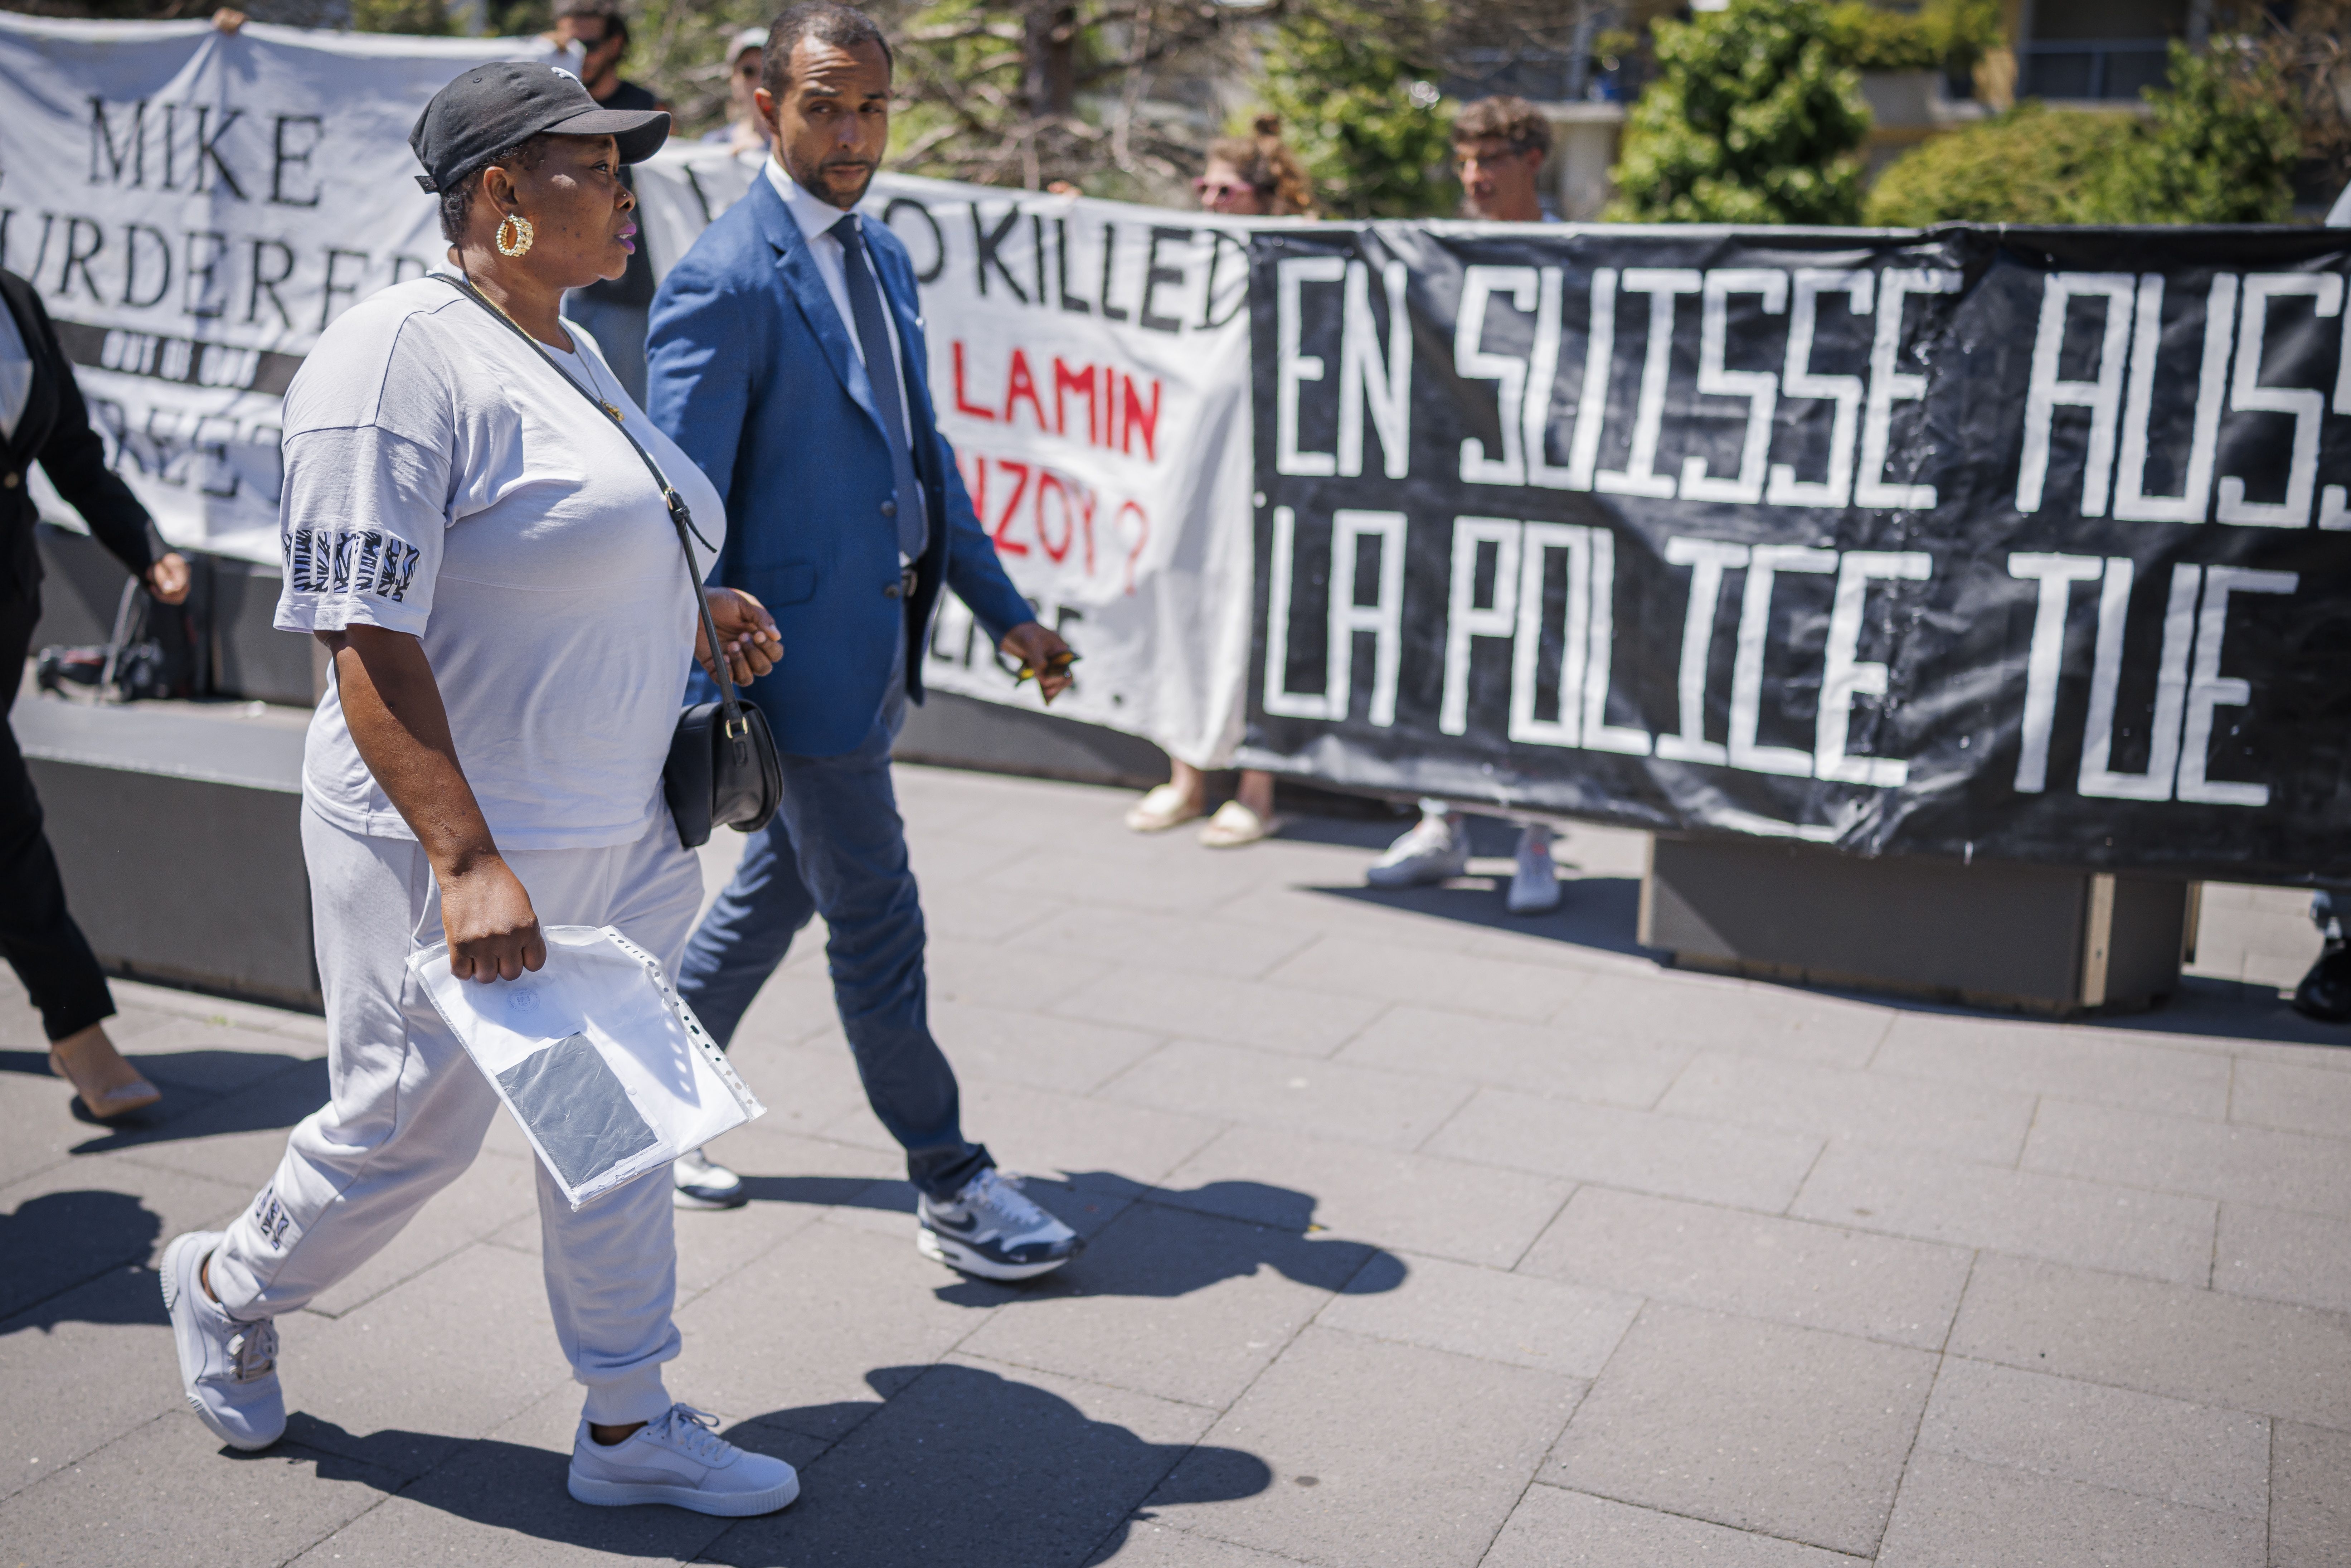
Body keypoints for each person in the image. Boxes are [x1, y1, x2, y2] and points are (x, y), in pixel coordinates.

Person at [159, 62, 798, 1518]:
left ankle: (629, 1423)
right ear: (500, 197)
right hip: (454, 844)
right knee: (405, 1133)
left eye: (628, 165)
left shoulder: (566, 346)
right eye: (595, 166)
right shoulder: (394, 361)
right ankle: (220, 1280)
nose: (629, 191)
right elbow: (361, 635)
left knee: (620, 1126)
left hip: (618, 832)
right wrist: (464, 858)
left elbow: (569, 544)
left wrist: (694, 609)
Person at [644, 3, 1085, 1282]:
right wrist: (704, 681)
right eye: (825, 105)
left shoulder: (882, 255)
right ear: (765, 104)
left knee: (783, 889)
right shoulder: (724, 278)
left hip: (879, 651)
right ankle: (950, 1179)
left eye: (872, 107)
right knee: (879, 920)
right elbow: (683, 506)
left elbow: (920, 459)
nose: (851, 132)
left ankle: (629, 1116)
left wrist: (1008, 614)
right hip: (790, 676)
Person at [1366, 98, 1564, 915]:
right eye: (1466, 162)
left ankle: (1539, 839)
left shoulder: (1577, 254)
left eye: (1491, 160)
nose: (1475, 178)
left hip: (1540, 492)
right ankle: (1440, 822)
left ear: (1532, 162)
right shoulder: (1434, 254)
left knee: (1539, 661)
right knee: (1442, 652)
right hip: (1447, 490)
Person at [3, 271, 191, 1122]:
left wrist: (141, 544)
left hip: (6, 604)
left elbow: (69, 449)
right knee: (6, 822)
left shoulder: (14, 298)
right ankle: (80, 1027)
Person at [1123, 116, 1312, 850]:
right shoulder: (1184, 261)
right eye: (1200, 187)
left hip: (1260, 467)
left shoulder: (1296, 259)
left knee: (1251, 611)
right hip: (1180, 463)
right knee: (1177, 597)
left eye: (1224, 190)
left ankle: (1256, 790)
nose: (1207, 202)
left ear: (1263, 199)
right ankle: (1188, 776)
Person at [552, 0, 665, 406]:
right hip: (561, 287)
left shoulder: (647, 108)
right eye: (568, 46)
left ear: (616, 43)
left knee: (624, 412)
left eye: (589, 44)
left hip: (627, 293)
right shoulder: (551, 111)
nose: (580, 56)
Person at [702, 28, 772, 158]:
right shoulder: (715, 143)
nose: (760, 80)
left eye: (767, 71)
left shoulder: (793, 144)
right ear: (732, 79)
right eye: (749, 71)